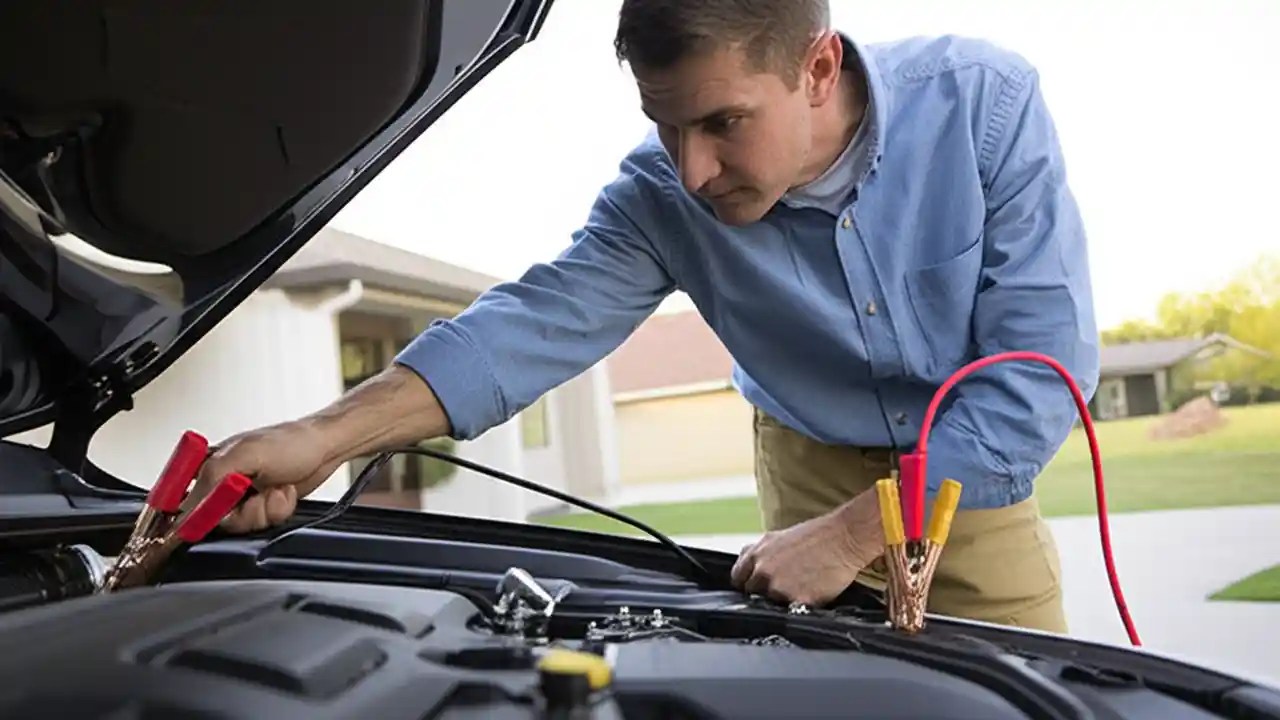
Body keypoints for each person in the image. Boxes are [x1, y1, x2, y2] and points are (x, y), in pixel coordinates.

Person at [192, 0, 1098, 633]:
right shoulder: (660, 195)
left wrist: (857, 532)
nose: (693, 171)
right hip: (808, 471)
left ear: (817, 68)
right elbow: (521, 330)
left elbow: (1033, 385)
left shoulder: (985, 107)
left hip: (965, 488)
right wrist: (323, 436)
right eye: (668, 127)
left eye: (724, 122)